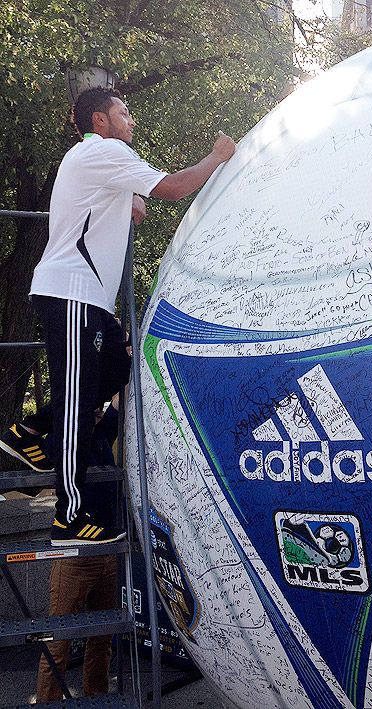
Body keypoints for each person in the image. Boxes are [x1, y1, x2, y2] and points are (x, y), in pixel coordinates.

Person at [0, 87, 235, 546]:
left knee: (116, 368)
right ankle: (69, 516)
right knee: (77, 402)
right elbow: (171, 188)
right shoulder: (103, 151)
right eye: (123, 112)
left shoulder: (101, 160)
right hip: (70, 293)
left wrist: (132, 197)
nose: (131, 120)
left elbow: (138, 207)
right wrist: (216, 157)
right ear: (100, 121)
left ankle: (29, 430)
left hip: (89, 301)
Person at [36, 398, 122, 701]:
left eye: (99, 406)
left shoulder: (102, 432)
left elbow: (118, 397)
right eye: (91, 404)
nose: (97, 409)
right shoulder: (63, 438)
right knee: (58, 642)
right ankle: (48, 702)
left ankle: (96, 697)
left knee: (101, 639)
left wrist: (126, 352)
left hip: (107, 553)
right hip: (73, 556)